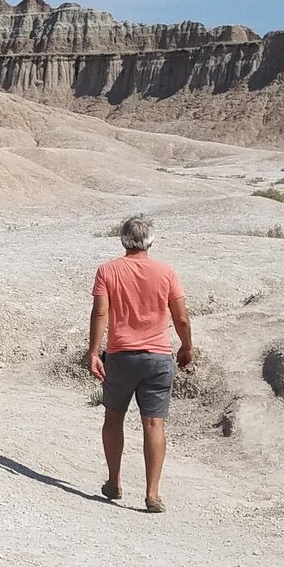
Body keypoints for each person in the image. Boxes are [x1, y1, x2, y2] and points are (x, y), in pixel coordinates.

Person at [86, 215, 192, 513]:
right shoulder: (166, 272)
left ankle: (114, 481)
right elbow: (181, 317)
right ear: (151, 241)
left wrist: (94, 352)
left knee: (113, 418)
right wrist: (186, 346)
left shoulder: (107, 271)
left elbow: (100, 314)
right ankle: (153, 493)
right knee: (154, 423)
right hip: (158, 357)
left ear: (123, 240)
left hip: (121, 356)